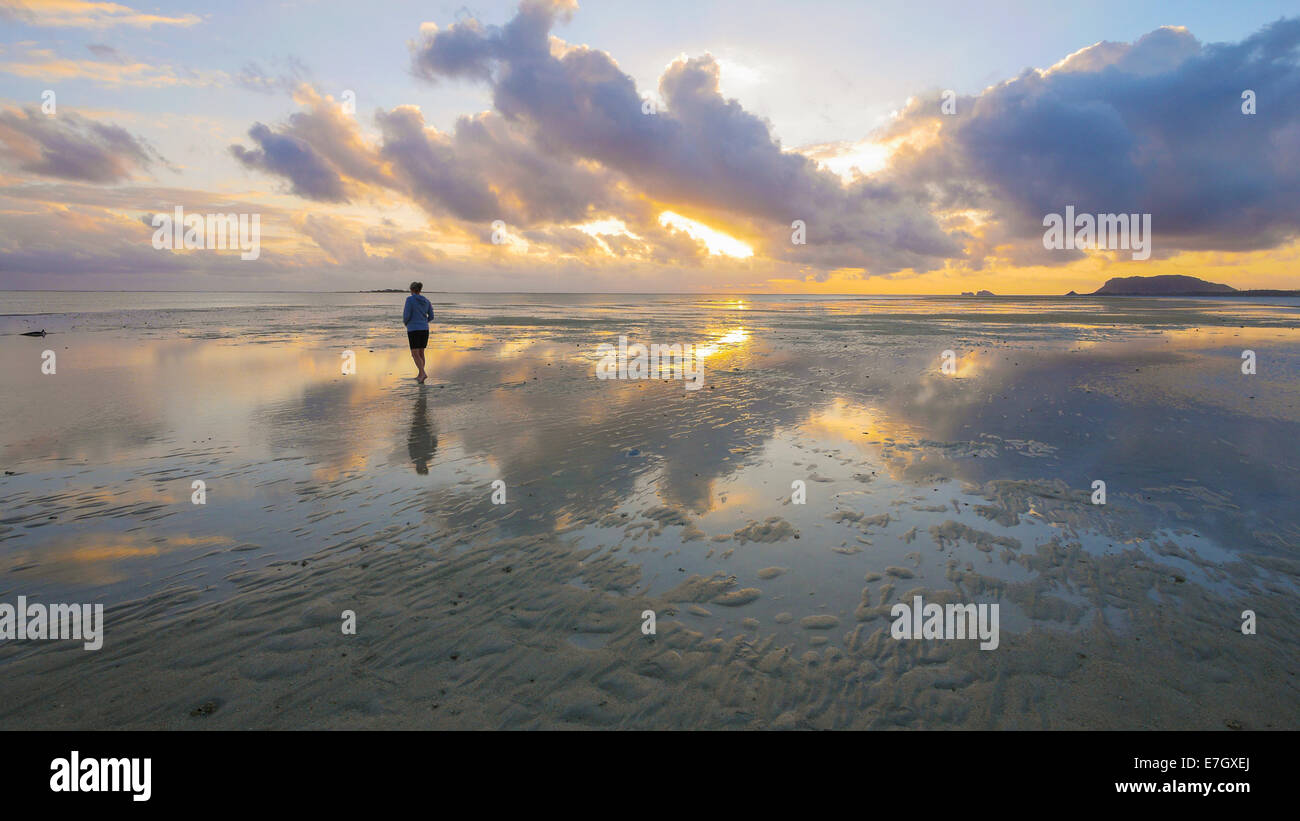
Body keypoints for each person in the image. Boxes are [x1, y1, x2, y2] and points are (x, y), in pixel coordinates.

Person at [403, 281, 434, 383]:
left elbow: (406, 315)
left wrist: (406, 323)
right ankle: (421, 374)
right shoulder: (426, 301)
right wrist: (424, 322)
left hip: (413, 329)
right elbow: (432, 316)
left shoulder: (410, 300)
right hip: (424, 329)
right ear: (420, 290)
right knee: (421, 353)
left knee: (414, 353)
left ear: (412, 290)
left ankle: (422, 373)